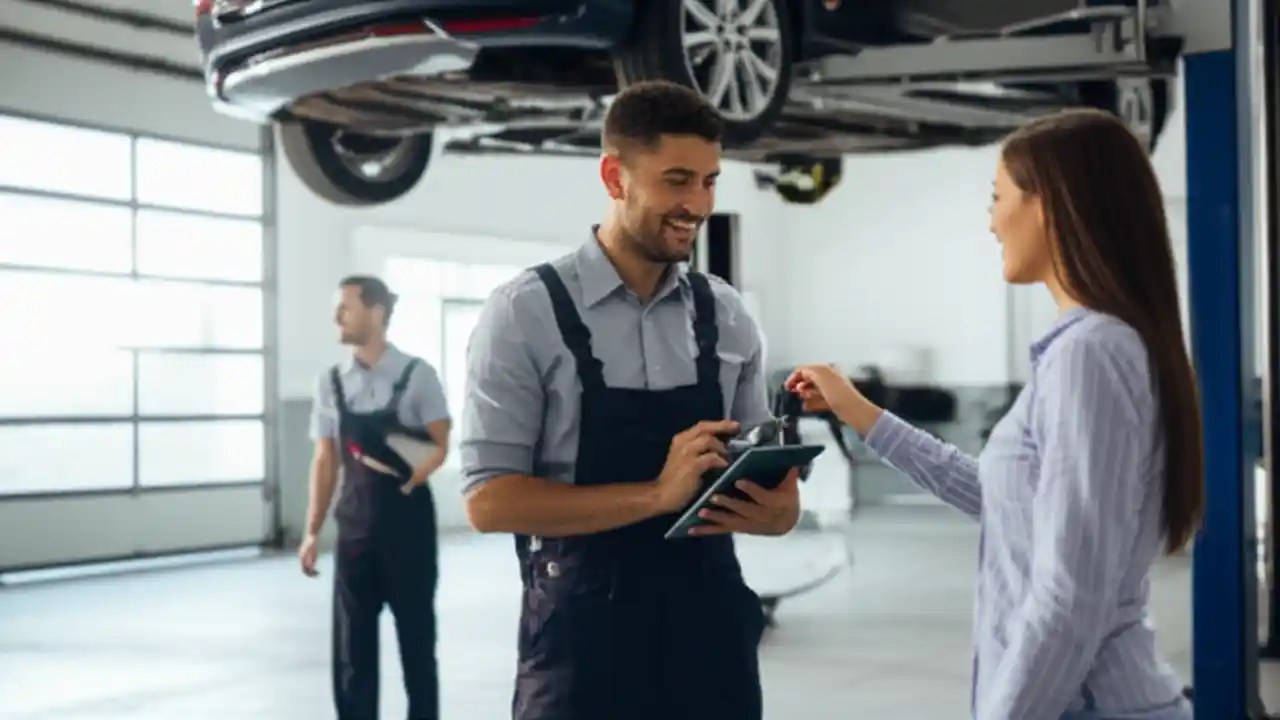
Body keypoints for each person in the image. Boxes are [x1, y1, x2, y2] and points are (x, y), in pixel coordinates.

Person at [788, 108, 1200, 720]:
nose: (991, 224)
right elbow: (1004, 500)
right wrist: (860, 413)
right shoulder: (1095, 346)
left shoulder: (1089, 353)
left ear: (1049, 206)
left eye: (997, 198)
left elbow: (1070, 595)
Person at [459, 80, 805, 720]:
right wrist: (656, 495)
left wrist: (775, 505)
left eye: (709, 181)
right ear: (615, 177)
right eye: (677, 180)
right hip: (583, 642)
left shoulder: (725, 314)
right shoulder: (525, 313)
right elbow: (487, 501)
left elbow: (779, 513)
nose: (696, 204)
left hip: (710, 634)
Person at [301, 275, 452, 720]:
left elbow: (442, 443)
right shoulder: (329, 384)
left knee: (417, 647)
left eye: (345, 308)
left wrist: (408, 474)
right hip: (354, 533)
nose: (336, 317)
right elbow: (325, 461)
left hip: (409, 531)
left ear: (376, 312)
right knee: (352, 652)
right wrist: (312, 531)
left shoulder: (418, 375)